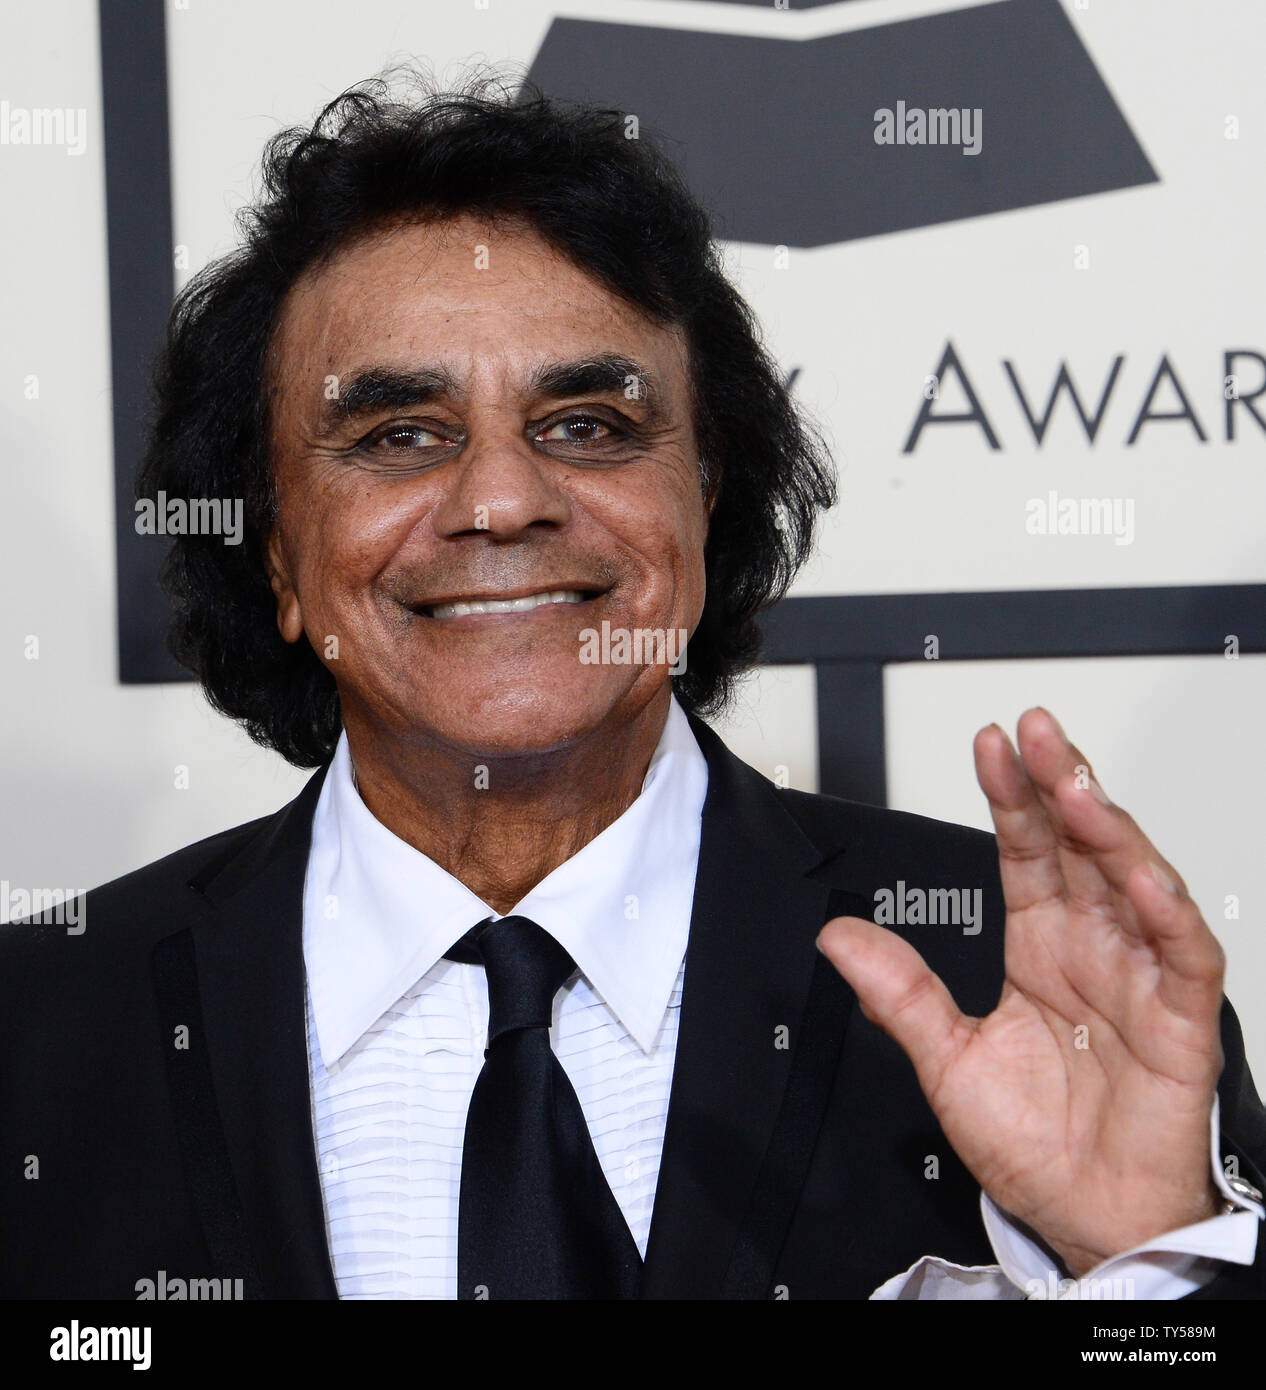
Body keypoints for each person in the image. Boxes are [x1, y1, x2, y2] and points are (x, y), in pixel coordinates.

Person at [2, 71, 1263, 1301]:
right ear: (277, 550)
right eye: (399, 436)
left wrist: (1146, 1271)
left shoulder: (1011, 980)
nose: (503, 500)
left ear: (706, 498)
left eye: (588, 423)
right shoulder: (40, 1027)